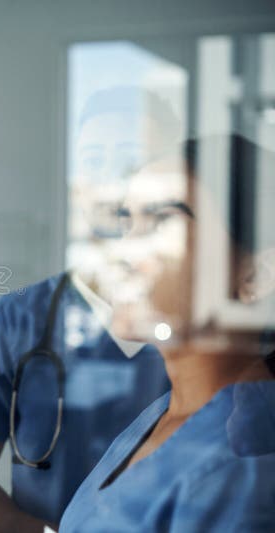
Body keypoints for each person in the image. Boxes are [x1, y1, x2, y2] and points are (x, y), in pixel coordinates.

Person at [0, 86, 176, 531]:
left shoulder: (203, 323)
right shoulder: (16, 323)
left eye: (132, 159)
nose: (109, 181)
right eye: (92, 161)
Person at [59, 134, 275, 531]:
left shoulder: (245, 455)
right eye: (125, 222)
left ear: (256, 275)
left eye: (160, 220)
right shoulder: (163, 415)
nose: (122, 252)